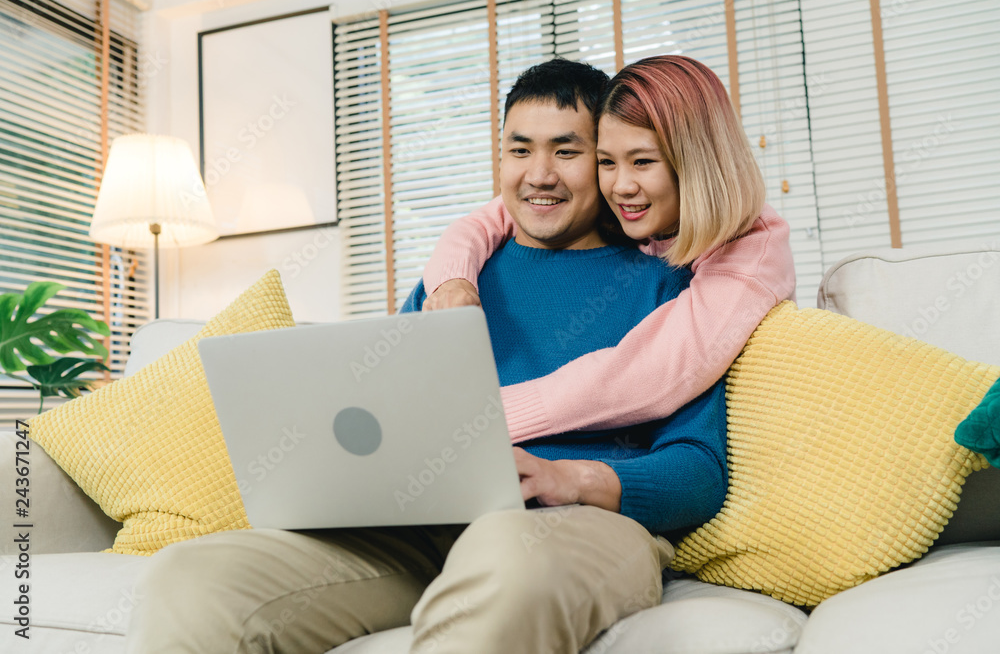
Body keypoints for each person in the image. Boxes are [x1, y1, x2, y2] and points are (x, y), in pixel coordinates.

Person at [125, 59, 730, 654]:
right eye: (520, 151)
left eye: (566, 152)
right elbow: (385, 422)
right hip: (417, 531)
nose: (539, 174)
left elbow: (699, 472)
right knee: (190, 580)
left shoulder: (668, 285)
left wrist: (567, 477)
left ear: (602, 164)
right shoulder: (451, 282)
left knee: (502, 564)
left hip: (569, 527)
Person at [421, 55, 797, 445]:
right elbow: (489, 218)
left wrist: (482, 423)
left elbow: (651, 375)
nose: (620, 186)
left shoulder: (751, 253)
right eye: (606, 162)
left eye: (643, 161)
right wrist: (452, 281)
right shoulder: (631, 208)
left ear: (694, 163)